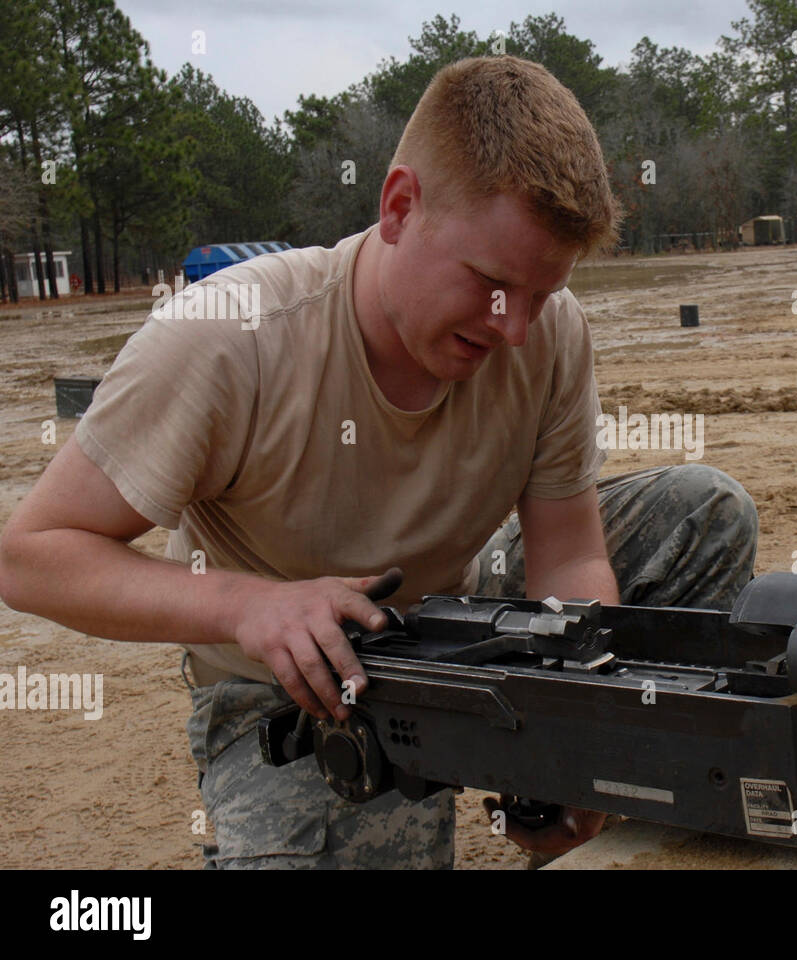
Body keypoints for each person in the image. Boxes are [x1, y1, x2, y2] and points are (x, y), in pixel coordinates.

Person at [0, 55, 757, 868]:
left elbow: (569, 553)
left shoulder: (547, 331)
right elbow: (33, 557)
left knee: (704, 514)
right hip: (297, 683)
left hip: (459, 617)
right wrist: (251, 608)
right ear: (399, 206)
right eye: (495, 285)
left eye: (544, 294)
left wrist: (582, 735)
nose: (516, 330)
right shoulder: (230, 339)